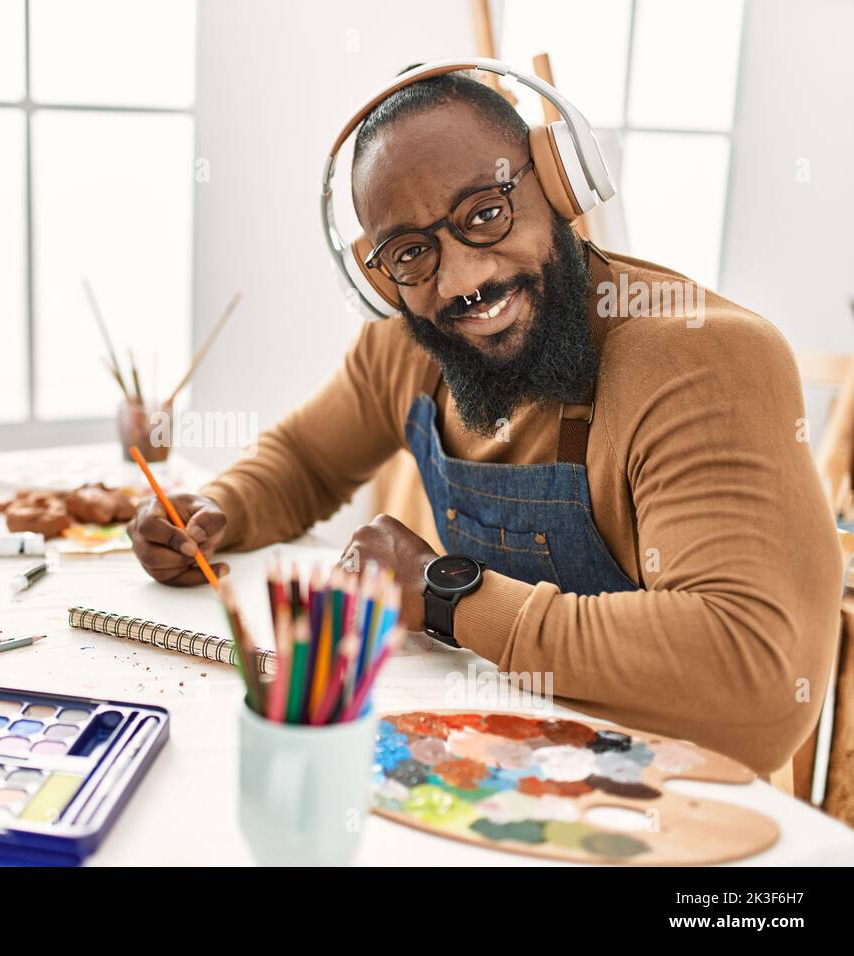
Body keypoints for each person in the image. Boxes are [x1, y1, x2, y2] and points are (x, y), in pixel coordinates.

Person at [128, 65, 842, 775]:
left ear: (561, 185)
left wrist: (446, 592)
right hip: (498, 765)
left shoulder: (697, 358)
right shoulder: (407, 348)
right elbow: (305, 462)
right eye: (412, 253)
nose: (464, 280)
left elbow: (753, 666)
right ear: (381, 277)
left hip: (679, 800)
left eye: (485, 213)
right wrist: (217, 510)